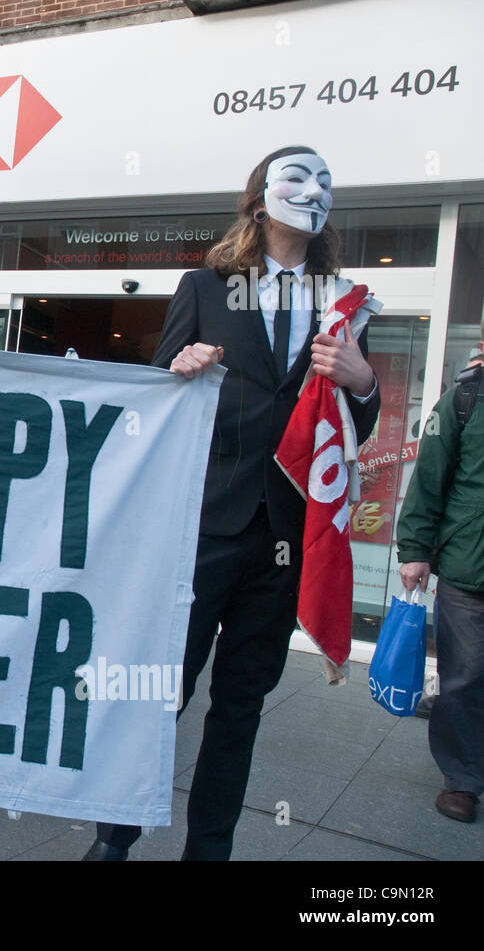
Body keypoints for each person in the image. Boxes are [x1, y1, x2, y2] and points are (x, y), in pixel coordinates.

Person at [84, 146, 381, 860]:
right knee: (166, 691)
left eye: (324, 183)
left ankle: (209, 849)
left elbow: (350, 427)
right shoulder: (207, 286)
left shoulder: (344, 302)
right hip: (203, 526)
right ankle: (114, 838)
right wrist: (179, 369)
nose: (313, 192)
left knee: (240, 707)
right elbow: (156, 397)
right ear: (259, 200)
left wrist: (363, 380)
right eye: (296, 179)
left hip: (285, 537)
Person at [396, 330, 484, 823]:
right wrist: (414, 550)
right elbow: (429, 479)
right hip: (470, 565)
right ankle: (463, 779)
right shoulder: (465, 399)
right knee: (464, 678)